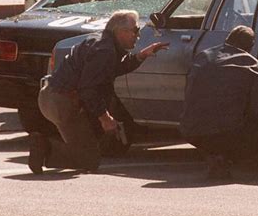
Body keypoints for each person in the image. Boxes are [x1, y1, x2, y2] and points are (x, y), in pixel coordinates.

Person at [28, 10, 169, 174]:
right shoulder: (104, 50)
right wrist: (105, 118)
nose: (138, 36)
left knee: (88, 148)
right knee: (88, 160)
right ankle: (45, 146)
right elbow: (89, 89)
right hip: (62, 101)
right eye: (136, 31)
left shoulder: (102, 42)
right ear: (120, 31)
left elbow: (111, 70)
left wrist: (141, 56)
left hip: (52, 96)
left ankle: (46, 146)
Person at [179, 26, 258, 179]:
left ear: (227, 39)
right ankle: (227, 159)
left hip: (191, 130)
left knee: (212, 129)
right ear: (251, 46)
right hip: (229, 132)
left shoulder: (203, 57)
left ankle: (214, 155)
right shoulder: (251, 64)